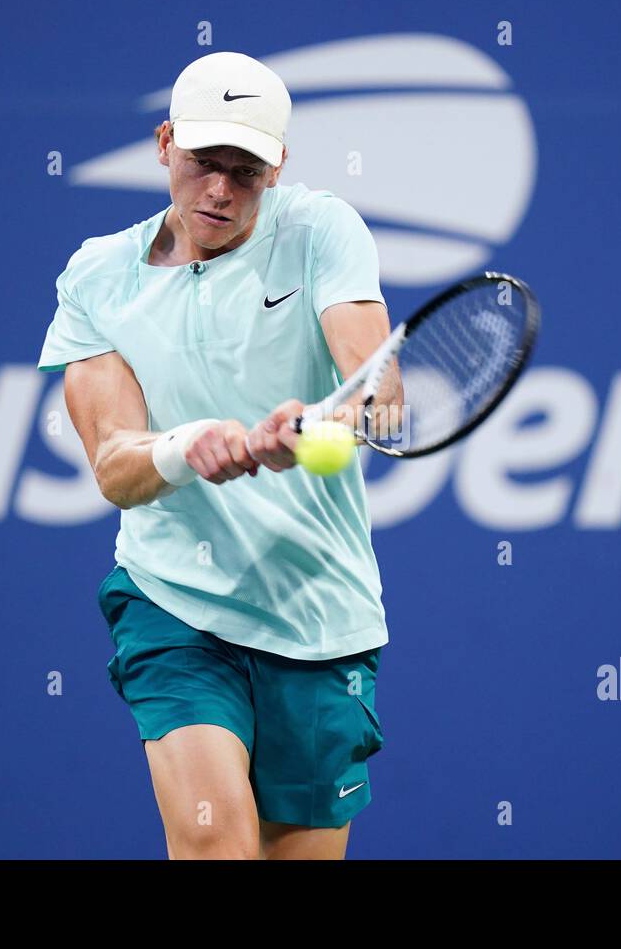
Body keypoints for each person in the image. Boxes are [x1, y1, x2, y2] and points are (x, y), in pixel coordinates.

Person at [37, 51, 391, 859]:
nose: (221, 191)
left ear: (278, 167)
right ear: (164, 144)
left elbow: (380, 393)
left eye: (246, 170)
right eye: (204, 164)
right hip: (175, 604)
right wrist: (188, 446)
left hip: (318, 618)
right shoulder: (98, 277)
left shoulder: (320, 230)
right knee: (214, 848)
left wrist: (321, 421)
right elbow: (117, 469)